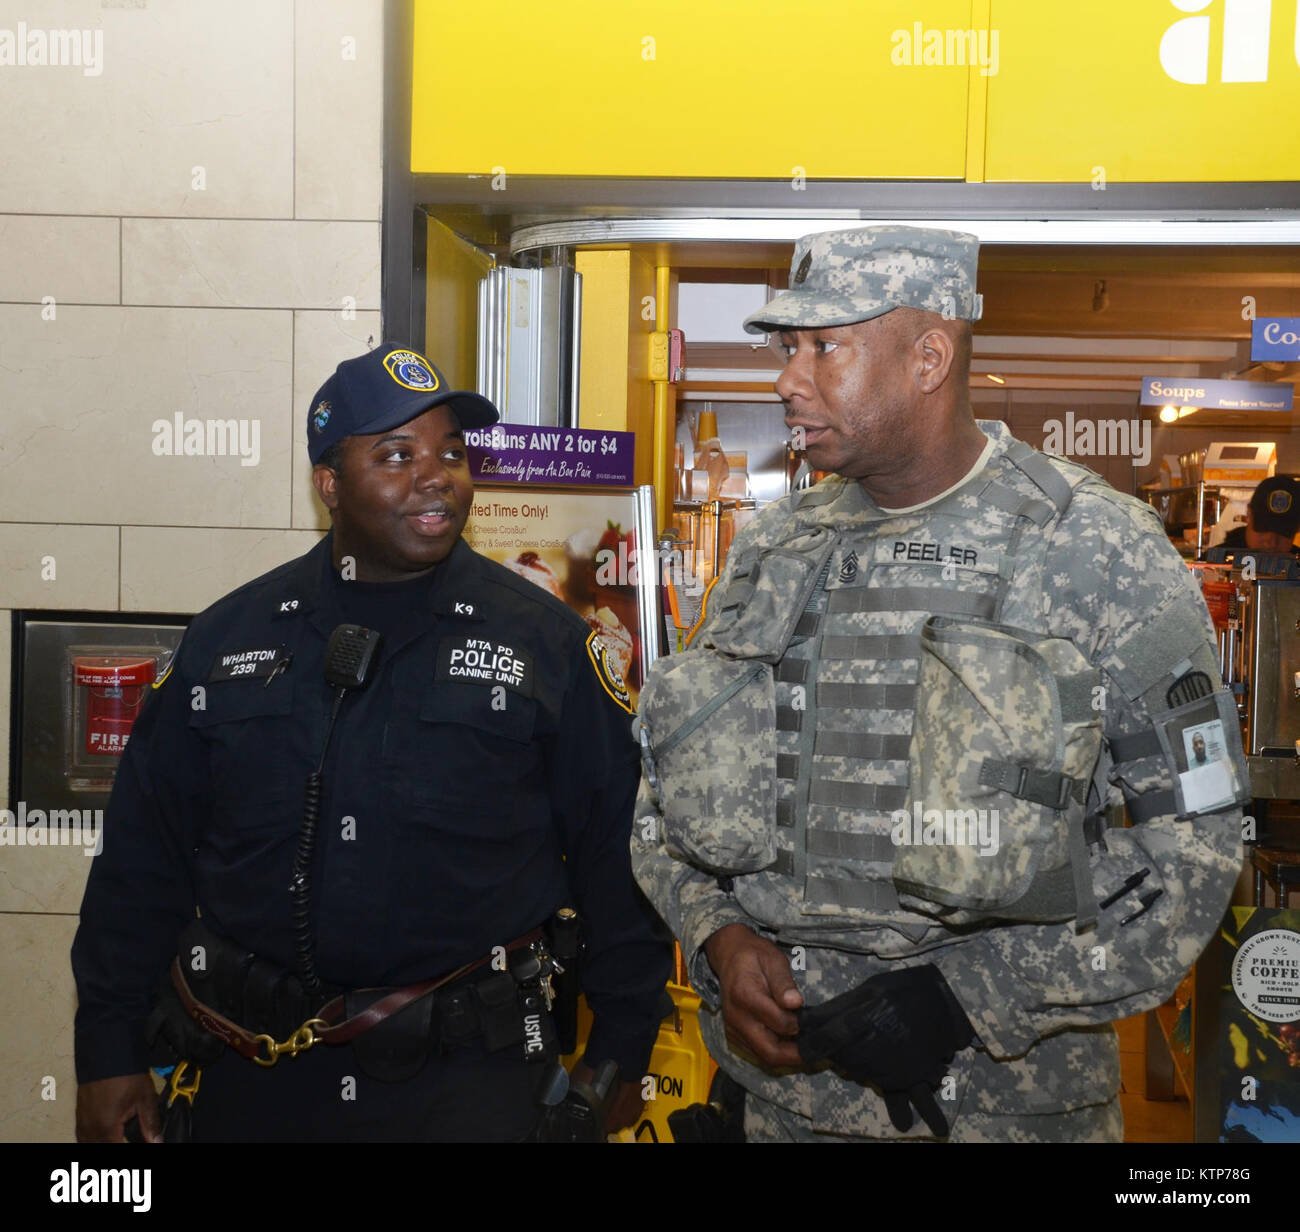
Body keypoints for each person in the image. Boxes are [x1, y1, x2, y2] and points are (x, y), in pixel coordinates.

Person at [631, 226, 1246, 1142]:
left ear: (928, 358)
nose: (787, 379)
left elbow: (1198, 845)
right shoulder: (774, 548)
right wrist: (719, 935)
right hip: (782, 1106)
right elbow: (667, 795)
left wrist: (967, 999)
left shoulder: (1097, 547)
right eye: (788, 348)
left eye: (824, 346)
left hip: (1004, 1110)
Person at [73, 343, 670, 1142]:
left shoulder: (546, 644)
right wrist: (108, 1050)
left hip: (473, 1082)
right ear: (329, 484)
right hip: (254, 1072)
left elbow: (618, 857)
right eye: (396, 455)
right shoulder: (229, 637)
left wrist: (623, 1047)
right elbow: (141, 858)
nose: (436, 476)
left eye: (450, 454)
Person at [1218, 474, 1300, 555]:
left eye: (1283, 532)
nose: (1272, 543)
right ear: (1249, 514)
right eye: (1264, 529)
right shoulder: (1214, 560)